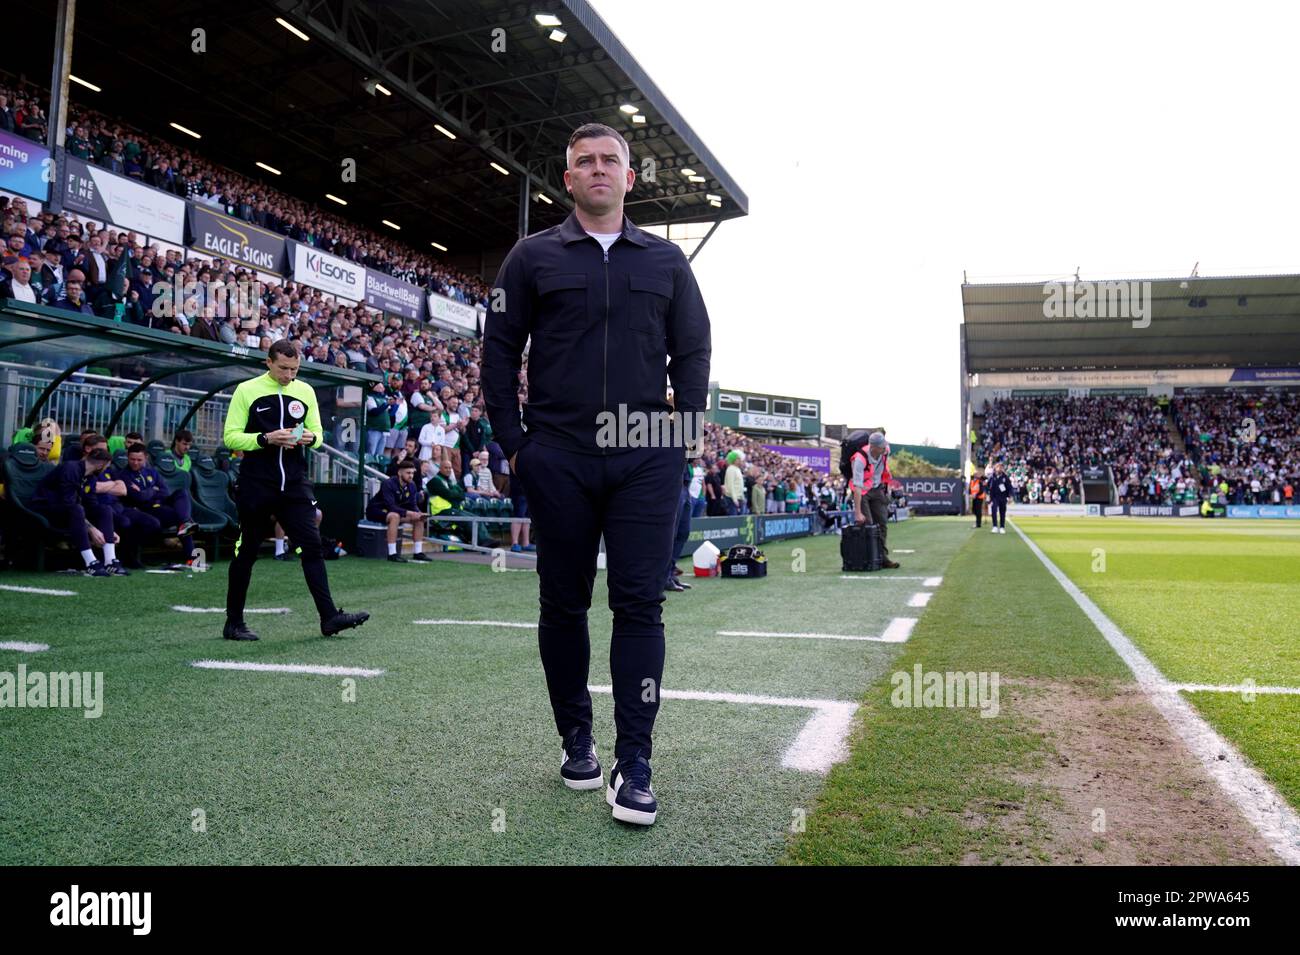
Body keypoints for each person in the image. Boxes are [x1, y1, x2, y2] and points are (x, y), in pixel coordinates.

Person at [482, 121, 711, 826]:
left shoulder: (668, 260)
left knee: (640, 602)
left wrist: (685, 428)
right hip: (560, 452)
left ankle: (635, 761)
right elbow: (498, 347)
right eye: (585, 160)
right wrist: (514, 443)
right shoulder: (530, 256)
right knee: (563, 601)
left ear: (630, 177)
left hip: (647, 449)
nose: (599, 169)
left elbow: (695, 347)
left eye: (611, 159)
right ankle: (574, 738)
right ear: (569, 176)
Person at [221, 340, 369, 640]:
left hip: (295, 483)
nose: (289, 375)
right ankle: (233, 622)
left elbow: (317, 434)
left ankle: (329, 618)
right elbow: (231, 438)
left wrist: (306, 437)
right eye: (284, 368)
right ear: (268, 362)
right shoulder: (247, 390)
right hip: (256, 483)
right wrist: (266, 439)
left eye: (294, 369)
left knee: (312, 547)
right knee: (246, 551)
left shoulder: (305, 391)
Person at [29, 447, 121, 576]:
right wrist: (91, 529)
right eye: (107, 466)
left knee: (104, 509)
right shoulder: (71, 469)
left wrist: (108, 531)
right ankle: (91, 563)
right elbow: (68, 503)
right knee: (77, 509)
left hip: (69, 511)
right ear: (101, 464)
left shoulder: (91, 477)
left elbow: (92, 504)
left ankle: (110, 561)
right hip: (46, 509)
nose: (107, 469)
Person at [849, 431, 901, 569]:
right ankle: (868, 559)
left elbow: (884, 471)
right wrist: (858, 513)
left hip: (877, 488)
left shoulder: (885, 451)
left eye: (885, 445)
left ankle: (882, 558)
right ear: (873, 447)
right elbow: (857, 488)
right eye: (881, 446)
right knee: (868, 525)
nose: (885, 448)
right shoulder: (860, 459)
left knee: (882, 524)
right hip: (863, 491)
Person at [367, 460, 431, 562]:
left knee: (419, 519)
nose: (411, 476)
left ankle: (418, 553)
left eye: (412, 473)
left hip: (395, 511)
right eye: (408, 473)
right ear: (399, 473)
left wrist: (419, 513)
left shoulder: (412, 485)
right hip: (377, 510)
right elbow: (390, 506)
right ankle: (392, 554)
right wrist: (410, 513)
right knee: (395, 516)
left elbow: (412, 504)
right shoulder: (388, 483)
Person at [987, 461, 1011, 534]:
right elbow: (987, 486)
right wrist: (987, 495)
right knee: (994, 510)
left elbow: (1009, 487)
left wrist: (1010, 496)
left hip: (1003, 497)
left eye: (1001, 467)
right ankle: (994, 526)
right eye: (998, 467)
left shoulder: (1005, 477)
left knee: (1002, 512)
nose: (1000, 469)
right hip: (994, 497)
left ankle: (1002, 527)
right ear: (995, 468)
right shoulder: (992, 477)